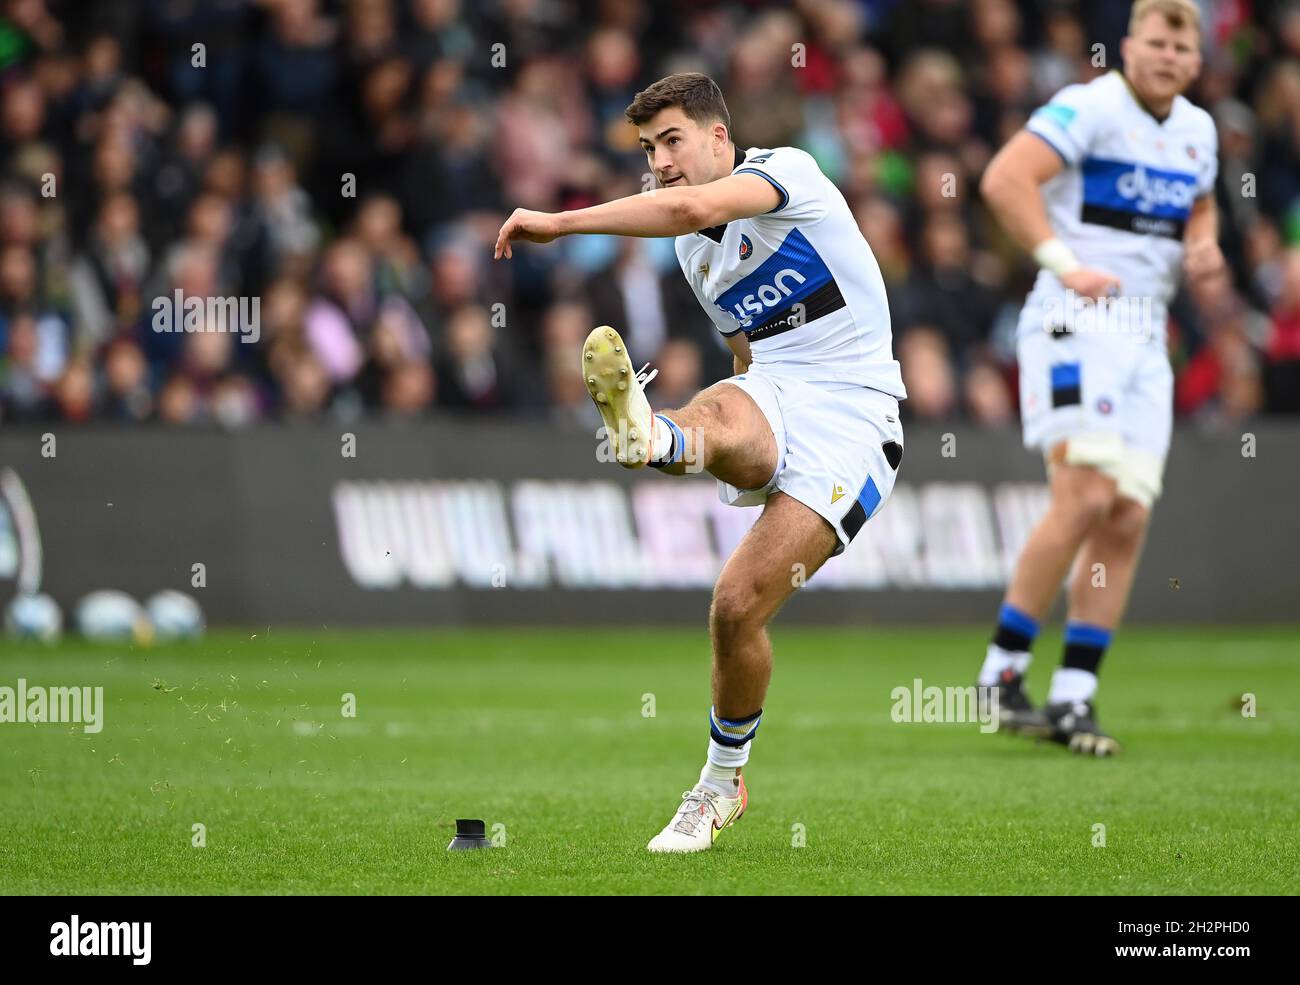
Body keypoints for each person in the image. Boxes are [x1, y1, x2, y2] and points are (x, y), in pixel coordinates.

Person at [494, 72, 906, 851]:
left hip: (856, 411)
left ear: (720, 137)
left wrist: (559, 221)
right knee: (723, 412)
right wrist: (730, 436)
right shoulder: (692, 251)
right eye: (648, 150)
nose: (661, 162)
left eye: (672, 141)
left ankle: (724, 776)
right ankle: (659, 437)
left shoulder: (788, 172)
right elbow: (747, 356)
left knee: (736, 605)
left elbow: (687, 205)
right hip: (778, 388)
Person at [975, 0, 1223, 756]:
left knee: (1126, 515)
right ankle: (1001, 673)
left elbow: (1202, 200)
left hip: (1147, 333)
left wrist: (1205, 244)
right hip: (1074, 319)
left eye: (1183, 45)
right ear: (1129, 46)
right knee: (1083, 491)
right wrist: (1065, 263)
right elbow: (1004, 178)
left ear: (1196, 58)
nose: (1169, 55)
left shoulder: (1198, 131)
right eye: (1157, 41)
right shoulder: (1089, 106)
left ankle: (1074, 694)